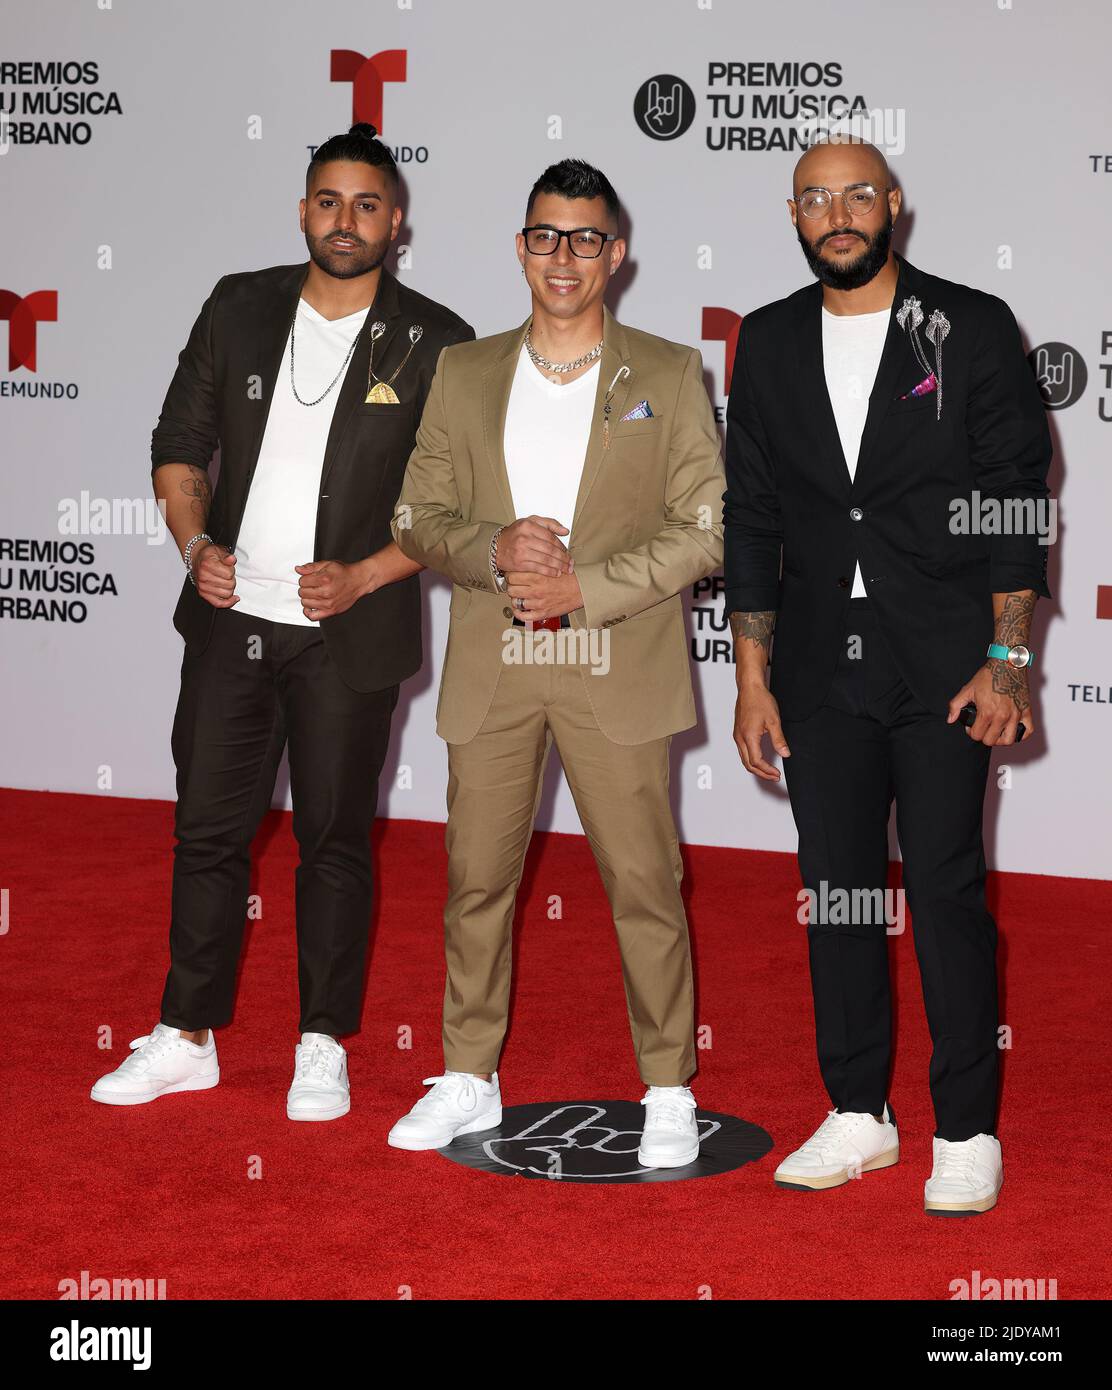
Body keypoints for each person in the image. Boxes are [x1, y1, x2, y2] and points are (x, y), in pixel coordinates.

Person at [91, 124, 473, 1121]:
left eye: (367, 204)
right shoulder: (239, 304)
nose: (344, 221)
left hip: (349, 635)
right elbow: (179, 442)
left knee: (334, 840)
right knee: (206, 832)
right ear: (303, 208)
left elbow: (452, 507)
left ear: (397, 222)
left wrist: (366, 576)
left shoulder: (436, 338)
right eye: (327, 200)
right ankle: (186, 1033)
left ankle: (321, 1043)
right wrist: (191, 544)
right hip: (230, 626)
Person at [724, 137, 1051, 1213]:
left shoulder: (970, 324)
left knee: (947, 888)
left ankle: (964, 1125)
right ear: (792, 215)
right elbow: (755, 512)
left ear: (892, 203)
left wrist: (1007, 659)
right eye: (815, 199)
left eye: (856, 193)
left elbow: (1013, 491)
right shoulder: (767, 339)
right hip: (821, 666)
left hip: (948, 661)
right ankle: (857, 1110)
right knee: (839, 893)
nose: (837, 213)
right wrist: (752, 676)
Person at [387, 159, 724, 1168]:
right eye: (544, 235)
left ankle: (666, 1084)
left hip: (614, 658)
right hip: (496, 656)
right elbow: (416, 515)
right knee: (473, 880)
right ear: (520, 246)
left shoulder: (665, 373)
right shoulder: (463, 370)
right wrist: (491, 547)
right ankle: (466, 1072)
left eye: (584, 238)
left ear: (615, 254)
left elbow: (703, 529)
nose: (562, 255)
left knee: (642, 881)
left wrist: (590, 586)